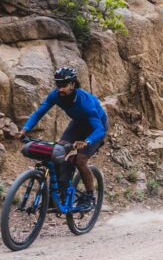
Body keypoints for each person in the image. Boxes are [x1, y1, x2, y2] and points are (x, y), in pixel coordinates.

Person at [18, 67, 107, 211]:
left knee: (80, 160)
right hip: (78, 124)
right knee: (57, 152)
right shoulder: (56, 95)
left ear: (72, 84)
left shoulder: (86, 103)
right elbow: (39, 112)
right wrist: (25, 129)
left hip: (96, 127)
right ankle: (58, 196)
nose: (60, 89)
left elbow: (99, 129)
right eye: (58, 85)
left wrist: (87, 141)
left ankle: (89, 196)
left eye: (64, 86)